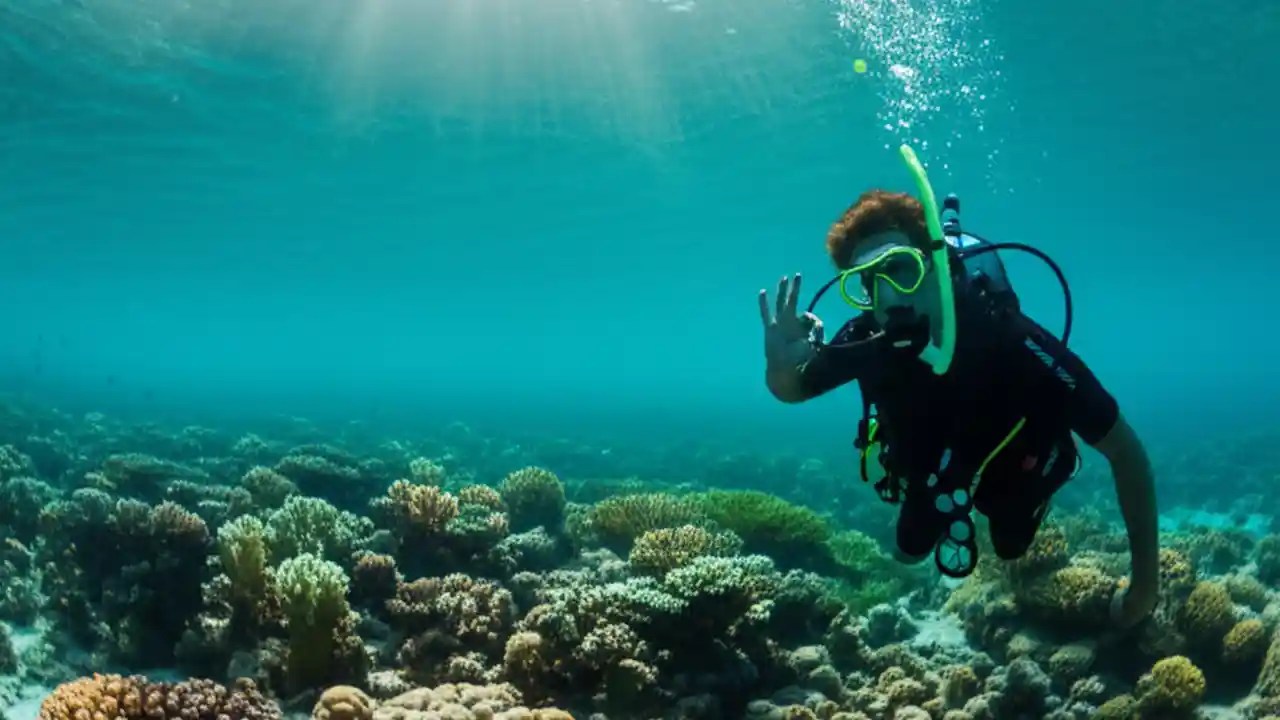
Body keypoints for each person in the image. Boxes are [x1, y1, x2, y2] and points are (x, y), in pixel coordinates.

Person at [758, 188, 1159, 629]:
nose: (890, 298)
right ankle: (949, 494)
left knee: (1010, 545)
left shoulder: (1012, 340)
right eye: (869, 281)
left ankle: (1048, 467)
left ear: (939, 265)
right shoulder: (867, 337)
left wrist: (1144, 588)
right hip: (929, 467)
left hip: (1009, 460)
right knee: (908, 550)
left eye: (901, 268)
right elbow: (792, 390)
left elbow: (1126, 451)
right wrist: (778, 365)